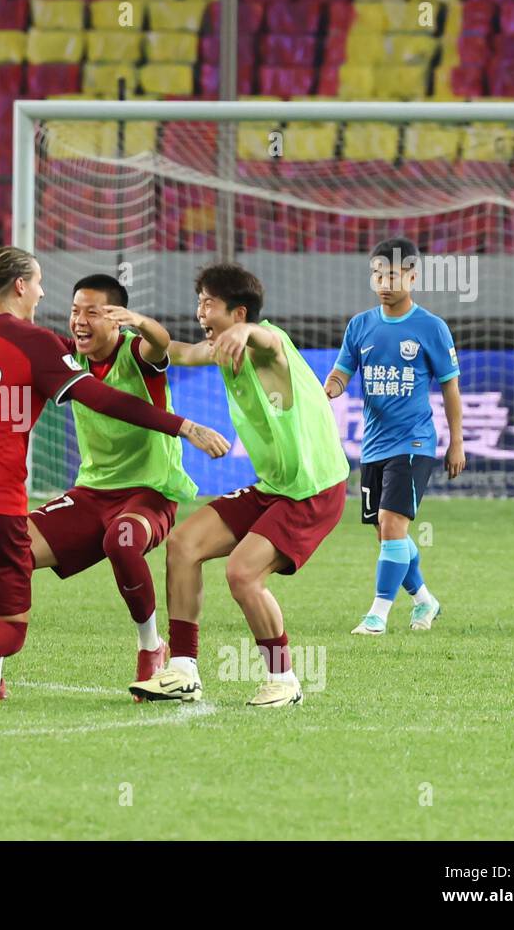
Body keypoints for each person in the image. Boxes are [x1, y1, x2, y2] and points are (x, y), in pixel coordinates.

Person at [0, 246, 229, 710]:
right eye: (73, 309)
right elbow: (9, 341)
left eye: (92, 312)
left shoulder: (134, 352)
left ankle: (149, 646)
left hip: (148, 491)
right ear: (22, 286)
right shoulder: (60, 354)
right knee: (7, 560)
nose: (77, 319)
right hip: (86, 492)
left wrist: (144, 331)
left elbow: (156, 346)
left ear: (116, 318)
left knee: (119, 542)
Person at [130, 263, 350, 707]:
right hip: (274, 485)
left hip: (313, 489)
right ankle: (183, 670)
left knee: (243, 574)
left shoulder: (270, 346)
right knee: (183, 545)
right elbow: (174, 350)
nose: (200, 313)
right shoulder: (218, 349)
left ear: (239, 312)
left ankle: (284, 679)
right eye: (198, 303)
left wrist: (249, 333)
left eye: (209, 304)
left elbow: (268, 342)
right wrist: (135, 327)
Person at [323, 236, 465, 635]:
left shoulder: (431, 328)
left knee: (391, 523)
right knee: (386, 532)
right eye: (376, 274)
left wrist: (457, 441)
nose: (383, 282)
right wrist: (330, 390)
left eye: (392, 274)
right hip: (374, 445)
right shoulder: (360, 326)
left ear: (412, 276)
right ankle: (424, 601)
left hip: (415, 442)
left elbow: (450, 387)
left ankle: (377, 615)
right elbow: (341, 372)